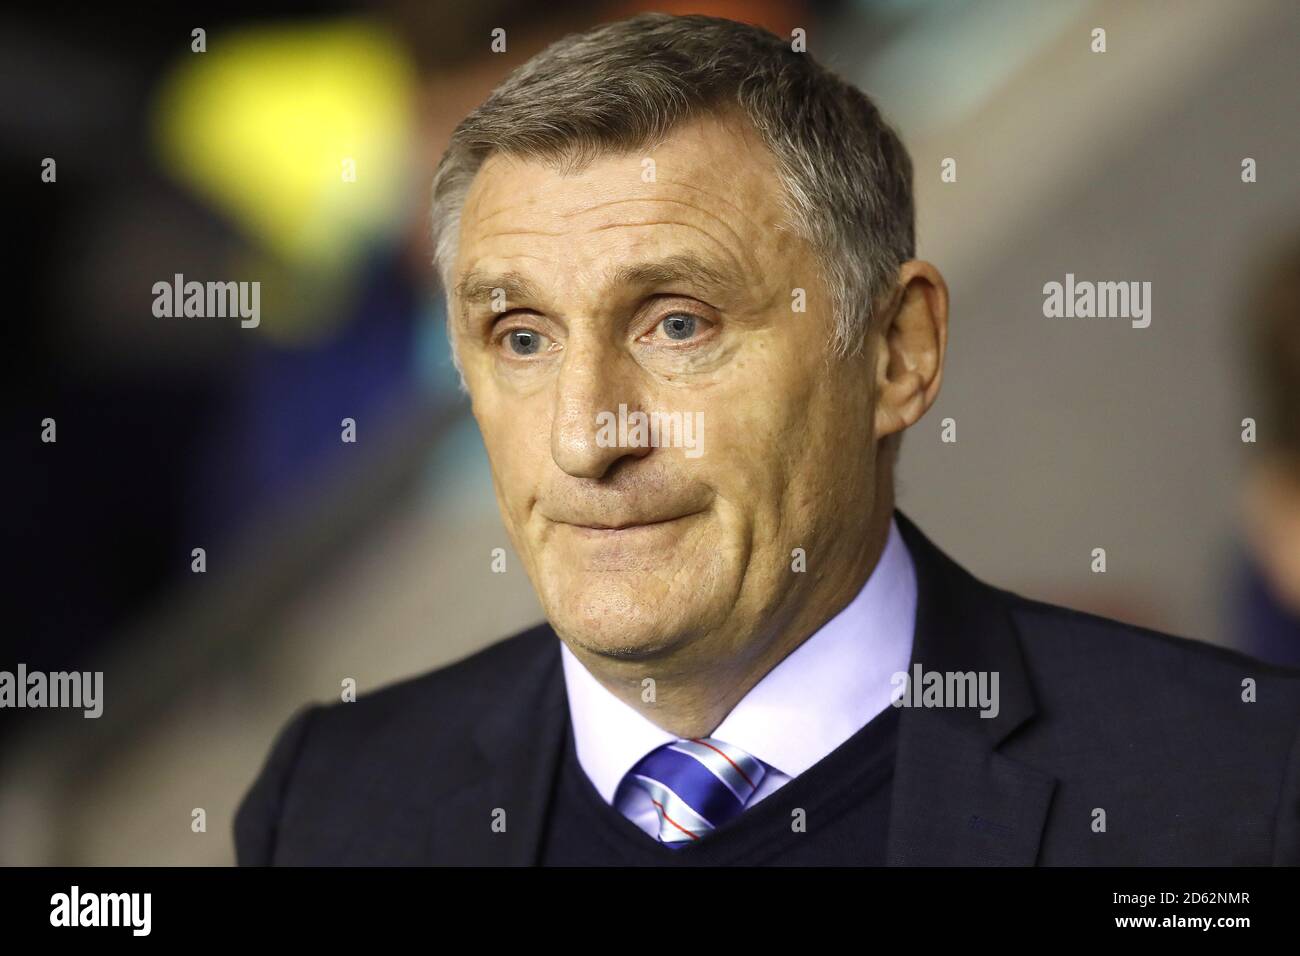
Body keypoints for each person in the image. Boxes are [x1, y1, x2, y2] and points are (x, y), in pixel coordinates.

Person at [235, 13, 1300, 865]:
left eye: (678, 322)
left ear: (897, 350)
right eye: (521, 336)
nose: (584, 436)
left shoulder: (1235, 789)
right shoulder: (328, 805)